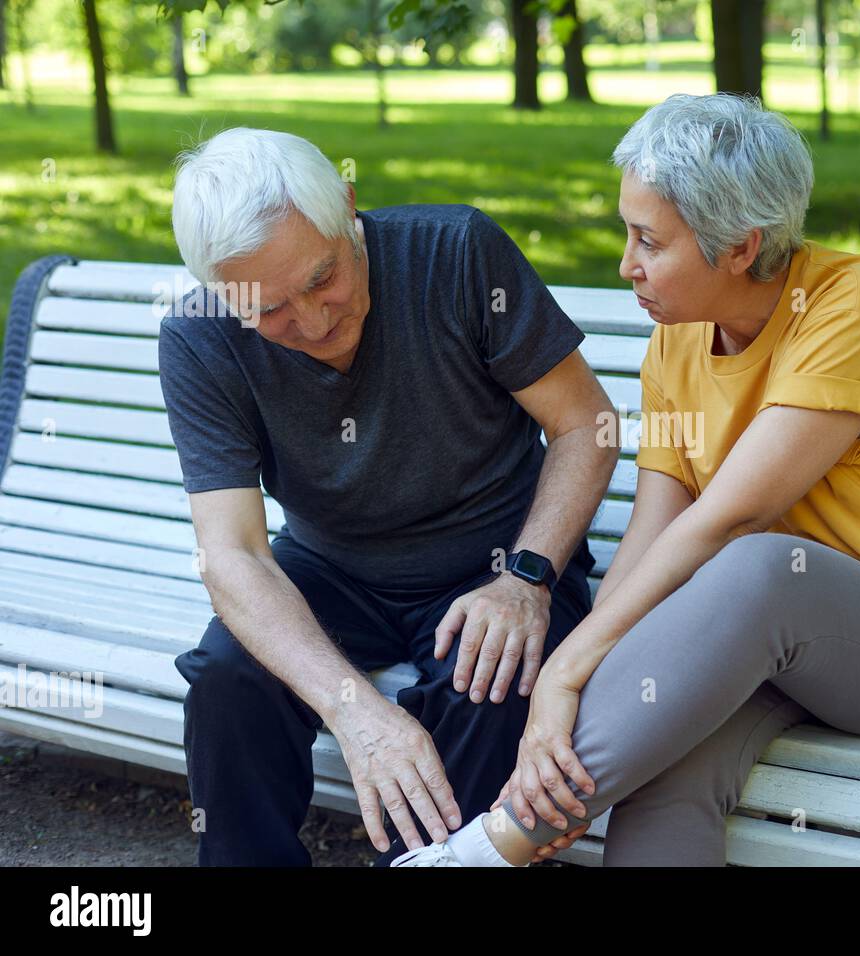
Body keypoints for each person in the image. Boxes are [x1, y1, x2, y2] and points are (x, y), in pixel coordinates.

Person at [391, 92, 860, 868]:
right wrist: (583, 705)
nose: (626, 264)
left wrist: (564, 672)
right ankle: (512, 826)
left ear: (740, 246)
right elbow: (656, 529)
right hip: (780, 645)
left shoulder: (859, 307)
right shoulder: (676, 342)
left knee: (768, 564)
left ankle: (488, 850)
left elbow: (731, 520)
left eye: (648, 241)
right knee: (664, 776)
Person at [158, 128, 618, 865]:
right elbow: (232, 555)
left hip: (497, 560)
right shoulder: (199, 336)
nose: (311, 324)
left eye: (321, 279)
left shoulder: (456, 252)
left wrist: (526, 579)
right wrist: (353, 710)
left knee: (489, 686)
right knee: (228, 681)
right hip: (332, 568)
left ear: (346, 206)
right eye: (267, 310)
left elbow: (585, 427)